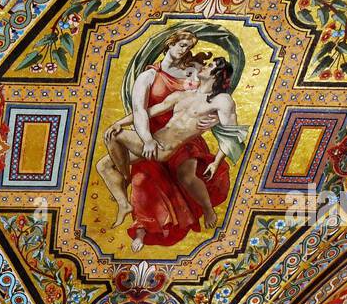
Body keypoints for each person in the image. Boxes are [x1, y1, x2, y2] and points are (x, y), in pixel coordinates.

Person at [98, 56, 247, 248]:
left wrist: (216, 161)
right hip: (152, 144)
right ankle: (124, 203)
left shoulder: (222, 100)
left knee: (113, 136)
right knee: (103, 165)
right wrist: (120, 122)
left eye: (209, 65)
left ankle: (208, 209)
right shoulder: (183, 95)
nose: (204, 66)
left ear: (218, 76)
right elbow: (149, 111)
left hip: (165, 148)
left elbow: (231, 135)